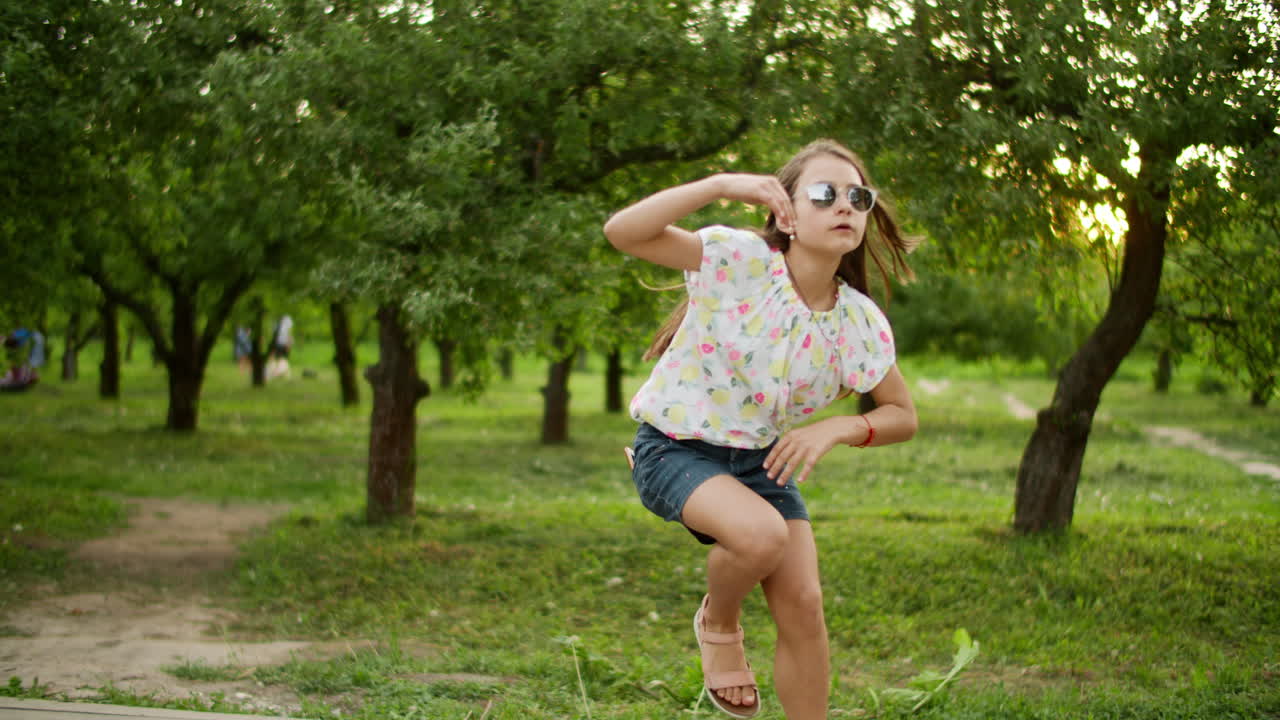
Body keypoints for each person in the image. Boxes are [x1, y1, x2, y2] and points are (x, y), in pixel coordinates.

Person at [603, 139, 920, 719]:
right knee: (763, 536)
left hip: (758, 460)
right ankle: (719, 622)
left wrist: (835, 430)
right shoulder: (739, 260)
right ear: (786, 213)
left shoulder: (856, 321)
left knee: (804, 605)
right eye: (824, 195)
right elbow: (624, 232)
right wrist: (719, 184)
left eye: (858, 197)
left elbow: (901, 414)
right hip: (674, 447)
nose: (844, 206)